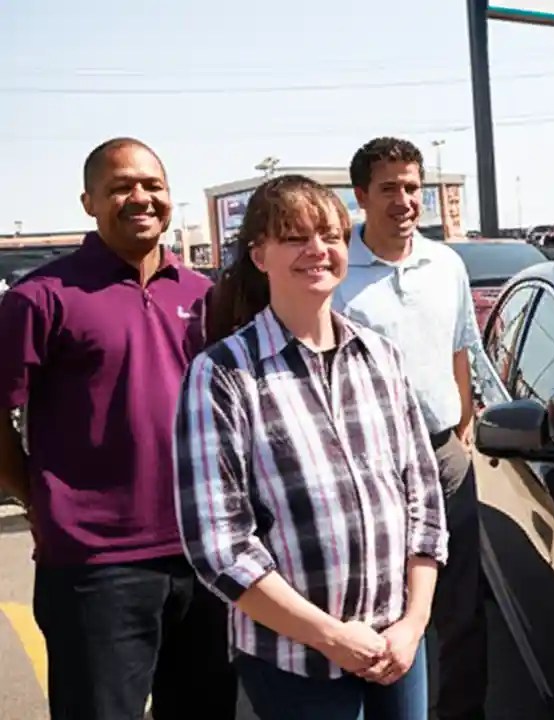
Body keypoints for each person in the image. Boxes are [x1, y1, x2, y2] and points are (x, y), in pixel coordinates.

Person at [177, 174, 448, 720]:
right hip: (295, 661)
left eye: (329, 234)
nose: (317, 250)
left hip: (397, 645)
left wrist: (413, 623)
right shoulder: (224, 373)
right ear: (259, 255)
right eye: (295, 237)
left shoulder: (380, 356)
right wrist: (329, 636)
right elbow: (220, 546)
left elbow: (422, 498)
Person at [0, 137, 237, 720]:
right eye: (120, 187)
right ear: (89, 202)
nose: (140, 198)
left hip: (206, 553)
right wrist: (37, 501)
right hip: (96, 567)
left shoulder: (205, 294)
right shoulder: (41, 298)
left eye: (152, 186)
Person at [333, 137, 487, 719]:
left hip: (444, 453)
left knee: (462, 607)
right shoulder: (340, 271)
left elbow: (459, 351)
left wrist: (464, 426)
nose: (404, 200)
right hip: (368, 466)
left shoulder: (446, 263)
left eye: (412, 186)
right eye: (389, 188)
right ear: (361, 196)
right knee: (384, 607)